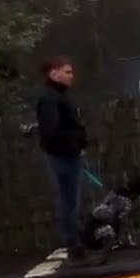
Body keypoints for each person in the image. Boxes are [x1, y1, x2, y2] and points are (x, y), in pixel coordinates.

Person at [35, 56, 89, 263]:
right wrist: (74, 146)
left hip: (68, 154)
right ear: (54, 73)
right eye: (67, 72)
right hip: (63, 156)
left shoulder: (59, 95)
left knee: (71, 200)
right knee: (68, 201)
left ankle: (76, 240)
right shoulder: (50, 98)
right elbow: (52, 131)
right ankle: (73, 244)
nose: (71, 76)